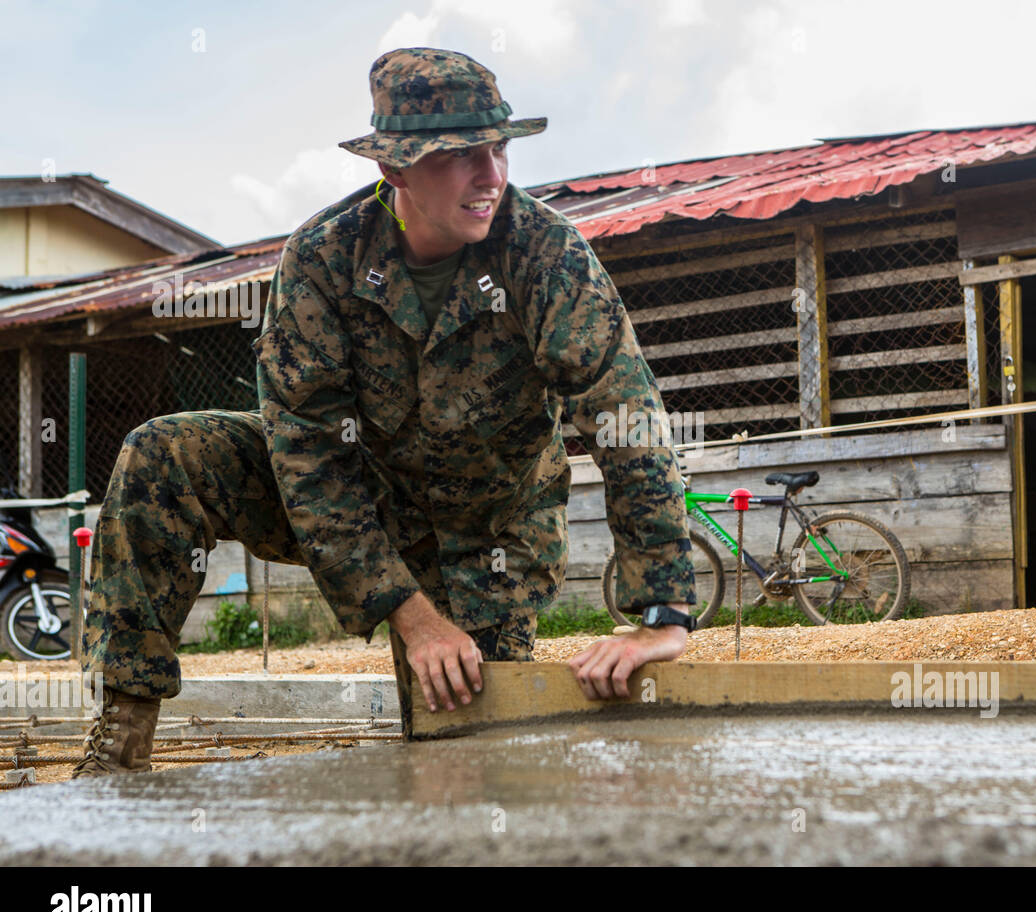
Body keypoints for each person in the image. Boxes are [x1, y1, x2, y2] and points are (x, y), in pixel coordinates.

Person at [72, 48, 697, 776]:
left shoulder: (544, 253)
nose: (492, 176)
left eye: (497, 149)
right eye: (461, 156)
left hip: (485, 530)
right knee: (165, 453)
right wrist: (408, 610)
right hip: (359, 501)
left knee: (468, 766)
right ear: (395, 170)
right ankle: (118, 745)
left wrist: (662, 613)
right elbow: (309, 454)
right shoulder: (325, 258)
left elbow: (627, 420)